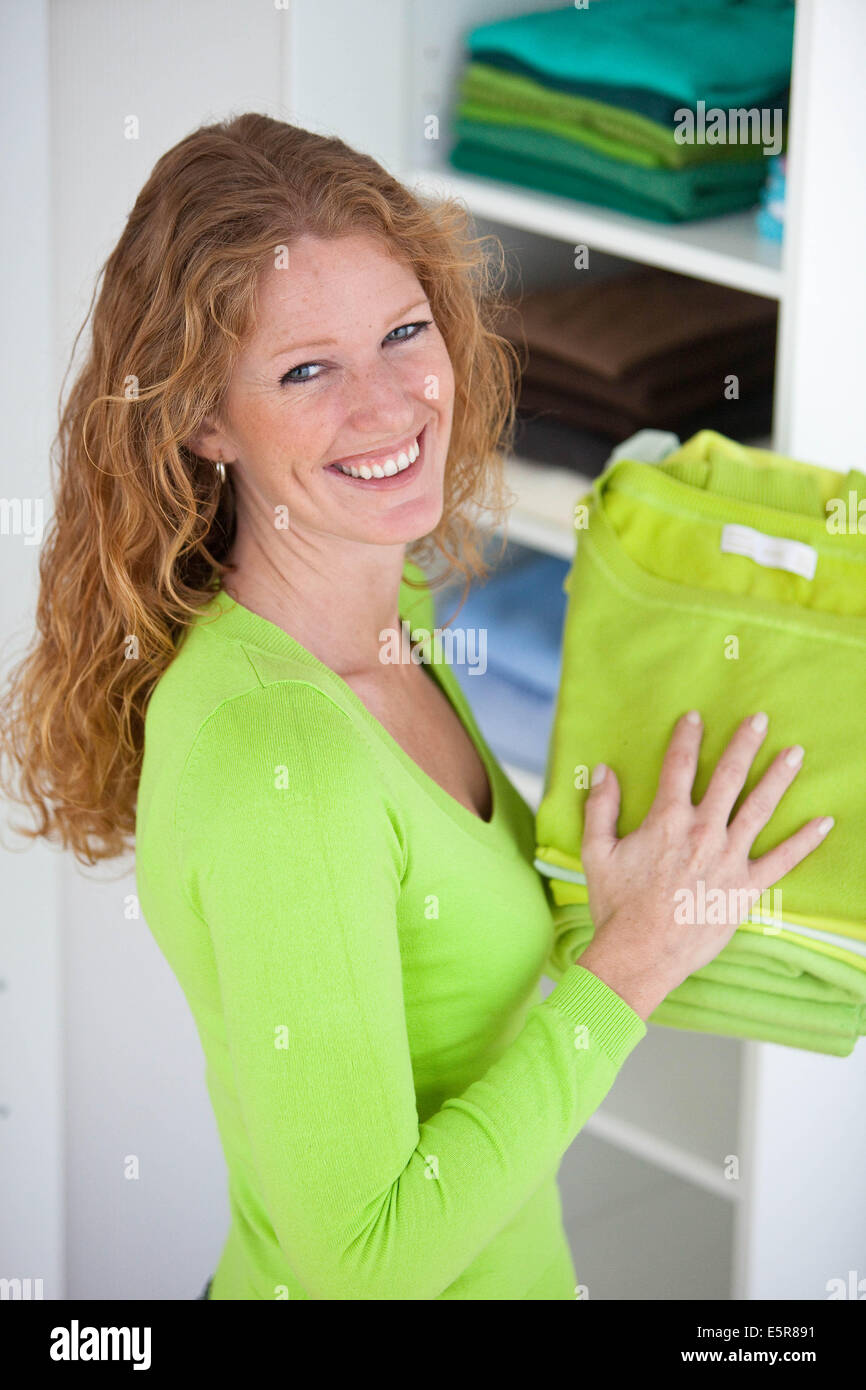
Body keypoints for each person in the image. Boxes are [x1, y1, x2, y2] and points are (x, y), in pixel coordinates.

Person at [0, 113, 832, 1301]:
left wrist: (621, 909)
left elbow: (431, 954)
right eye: (305, 368)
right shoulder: (281, 753)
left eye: (403, 332)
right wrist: (626, 967)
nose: (390, 403)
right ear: (200, 418)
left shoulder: (399, 606)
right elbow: (361, 1268)